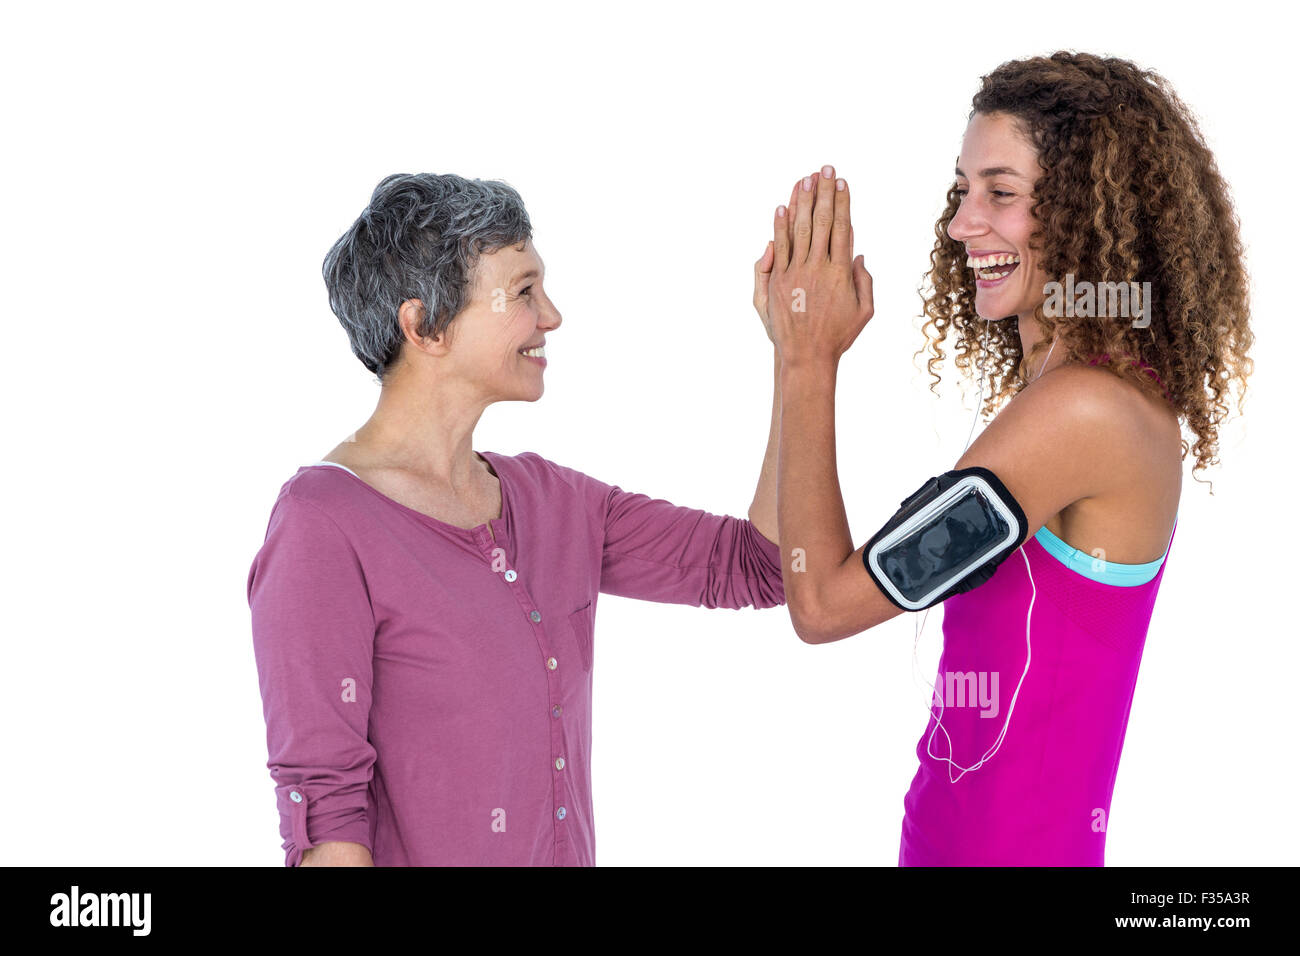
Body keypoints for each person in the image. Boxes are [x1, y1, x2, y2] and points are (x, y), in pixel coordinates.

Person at [757, 52, 1252, 865]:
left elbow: (822, 605)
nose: (962, 224)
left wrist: (806, 357)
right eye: (963, 191)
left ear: (1086, 210)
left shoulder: (1083, 412)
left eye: (1002, 193)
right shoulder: (1075, 393)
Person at [246, 173, 786, 866]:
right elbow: (328, 827)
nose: (551, 316)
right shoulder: (323, 524)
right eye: (524, 291)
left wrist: (797, 356)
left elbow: (761, 567)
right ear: (424, 326)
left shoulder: (552, 500)